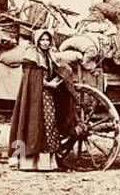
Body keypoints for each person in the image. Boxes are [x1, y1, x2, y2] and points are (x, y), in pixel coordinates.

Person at [9, 29, 73, 171]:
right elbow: (31, 79)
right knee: (34, 125)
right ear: (37, 41)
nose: (45, 43)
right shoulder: (31, 56)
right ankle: (29, 162)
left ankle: (46, 163)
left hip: (47, 96)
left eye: (47, 40)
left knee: (49, 125)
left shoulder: (49, 55)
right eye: (42, 40)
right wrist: (47, 84)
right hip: (34, 98)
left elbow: (56, 70)